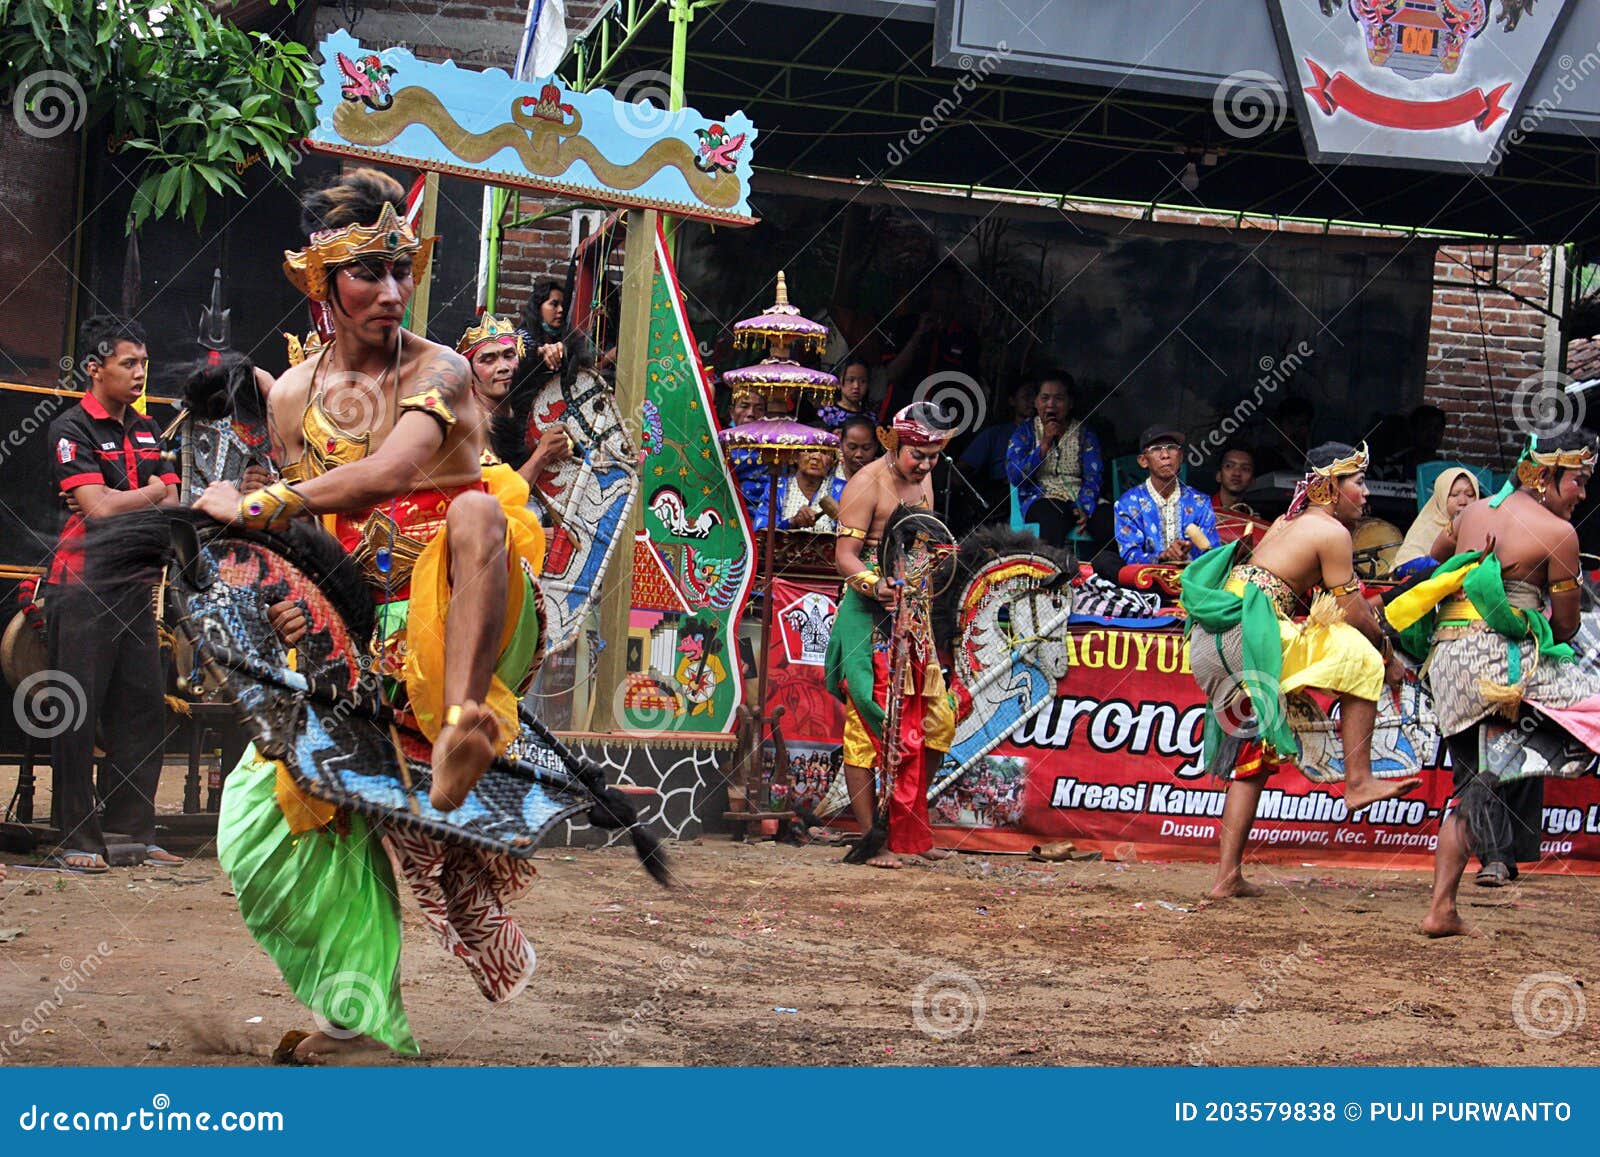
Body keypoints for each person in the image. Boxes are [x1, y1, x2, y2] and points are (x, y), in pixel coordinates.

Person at [195, 169, 547, 1060]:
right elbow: (305, 536)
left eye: (401, 269)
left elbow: (392, 470)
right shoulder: (288, 397)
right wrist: (288, 596)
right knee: (266, 821)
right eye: (368, 272)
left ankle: (466, 720)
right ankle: (355, 1022)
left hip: (467, 605)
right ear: (321, 282)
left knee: (473, 511)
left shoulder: (444, 370)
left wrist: (267, 501)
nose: (392, 291)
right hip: (357, 636)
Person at [1181, 442, 1420, 899]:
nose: (1367, 494)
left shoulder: (1289, 523)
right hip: (1247, 637)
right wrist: (1388, 655)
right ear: (1330, 488)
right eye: (1359, 482)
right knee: (1362, 659)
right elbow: (1350, 611)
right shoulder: (1331, 532)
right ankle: (1358, 780)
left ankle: (1226, 878)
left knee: (1253, 757)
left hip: (1217, 640)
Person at [1383, 433, 1600, 936]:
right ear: (1544, 477)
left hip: (1449, 663)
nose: (1583, 495)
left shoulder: (1470, 514)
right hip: (1503, 670)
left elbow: (1433, 565)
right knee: (1496, 773)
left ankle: (1444, 908)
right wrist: (1526, 610)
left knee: (1475, 785)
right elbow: (1566, 627)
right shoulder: (1559, 534)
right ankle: (1447, 902)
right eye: (1579, 482)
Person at [42, 315, 183, 873]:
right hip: (81, 586)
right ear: (96, 369)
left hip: (134, 588)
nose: (140, 374)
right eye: (129, 364)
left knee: (142, 709)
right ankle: (77, 838)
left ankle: (132, 831)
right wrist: (150, 491)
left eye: (144, 364)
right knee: (75, 712)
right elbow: (96, 513)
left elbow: (170, 499)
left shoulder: (149, 428)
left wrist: (140, 494)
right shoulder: (69, 427)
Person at [824, 404, 957, 869]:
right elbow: (844, 556)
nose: (924, 466)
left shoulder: (925, 476)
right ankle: (871, 839)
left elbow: (923, 540)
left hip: (913, 615)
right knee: (868, 725)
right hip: (868, 617)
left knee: (937, 720)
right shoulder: (865, 484)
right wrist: (875, 585)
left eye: (933, 457)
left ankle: (908, 828)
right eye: (916, 456)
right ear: (892, 444)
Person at [457, 311, 572, 486]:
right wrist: (542, 455)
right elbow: (496, 498)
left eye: (509, 356)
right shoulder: (472, 421)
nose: (503, 367)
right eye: (488, 360)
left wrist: (556, 355)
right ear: (468, 370)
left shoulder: (528, 400)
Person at [1005, 373, 1107, 548]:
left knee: (1108, 520)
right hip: (1042, 497)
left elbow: (1094, 476)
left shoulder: (1084, 434)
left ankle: (1105, 572)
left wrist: (1084, 506)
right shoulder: (1024, 433)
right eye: (1045, 398)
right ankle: (1053, 574)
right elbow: (1015, 476)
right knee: (1052, 518)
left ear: (1070, 404)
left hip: (1080, 496)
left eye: (1058, 398)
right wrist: (1043, 446)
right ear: (1036, 403)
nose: (1050, 404)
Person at [879, 264, 983, 420]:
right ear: (931, 291)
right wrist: (918, 335)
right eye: (941, 288)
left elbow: (968, 390)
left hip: (941, 422)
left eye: (951, 290)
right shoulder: (906, 325)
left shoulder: (967, 338)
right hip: (898, 416)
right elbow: (890, 375)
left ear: (959, 295)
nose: (946, 296)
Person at [1113, 426, 1218, 566]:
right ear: (1143, 461)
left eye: (1172, 447)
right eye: (1156, 449)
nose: (1165, 455)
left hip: (1191, 581)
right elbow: (1129, 555)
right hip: (1146, 582)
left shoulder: (1200, 502)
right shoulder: (1127, 504)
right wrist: (1163, 556)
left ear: (1180, 456)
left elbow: (1213, 555)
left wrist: (1190, 551)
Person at [960, 380, 1034, 515]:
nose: (1032, 401)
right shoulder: (995, 434)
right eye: (1026, 396)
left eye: (1036, 396)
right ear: (1012, 401)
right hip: (1002, 497)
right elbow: (960, 470)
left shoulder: (1050, 434)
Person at [1390, 467, 1479, 578]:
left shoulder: (1482, 527)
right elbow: (1401, 567)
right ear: (1441, 498)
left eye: (1470, 495)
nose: (1463, 502)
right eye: (1454, 495)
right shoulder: (1426, 526)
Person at [756, 447, 846, 533]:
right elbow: (761, 533)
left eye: (824, 452)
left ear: (831, 461)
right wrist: (792, 522)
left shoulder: (843, 489)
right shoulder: (777, 488)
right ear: (795, 456)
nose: (816, 456)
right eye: (810, 450)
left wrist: (842, 519)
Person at [724, 387, 772, 514]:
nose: (751, 413)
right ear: (732, 412)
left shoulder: (774, 448)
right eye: (744, 406)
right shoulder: (720, 444)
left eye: (759, 408)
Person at [1210, 442, 1268, 548]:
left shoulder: (1255, 520)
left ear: (1253, 481)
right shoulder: (1202, 511)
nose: (1236, 473)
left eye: (1245, 469)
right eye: (1229, 466)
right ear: (1218, 476)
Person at [1253, 396, 1314, 474]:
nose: (1296, 429)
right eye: (1291, 423)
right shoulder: (1265, 458)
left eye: (1302, 424)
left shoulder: (1320, 459)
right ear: (1279, 425)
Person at [815, 356, 873, 430]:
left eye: (862, 381)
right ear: (838, 383)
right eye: (851, 380)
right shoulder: (826, 413)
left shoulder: (870, 418)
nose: (856, 386)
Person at [833, 414, 878, 484]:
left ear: (875, 447)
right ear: (841, 445)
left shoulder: (884, 477)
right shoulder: (829, 472)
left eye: (866, 448)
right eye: (852, 447)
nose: (859, 454)